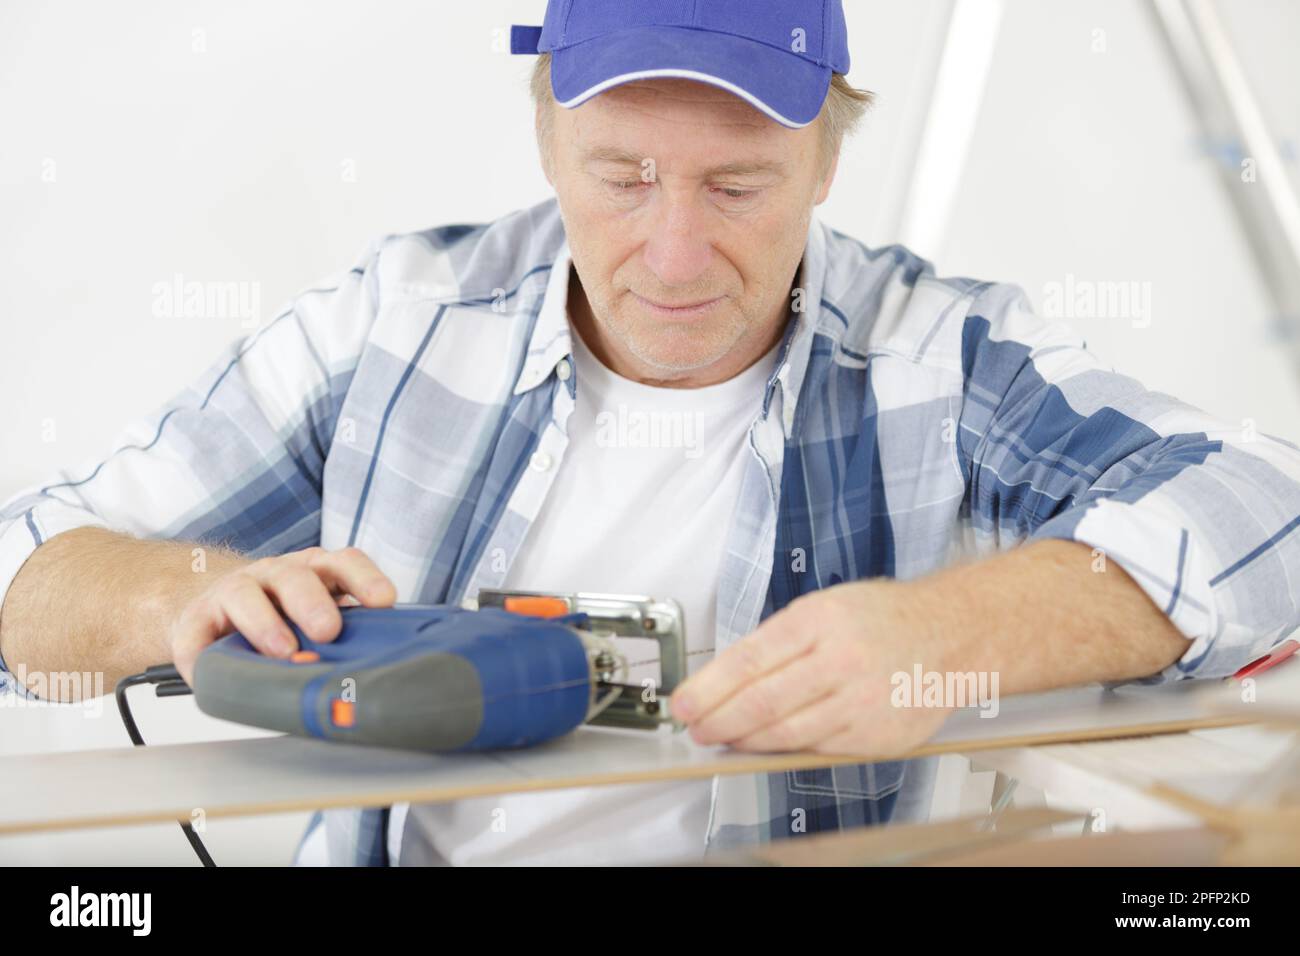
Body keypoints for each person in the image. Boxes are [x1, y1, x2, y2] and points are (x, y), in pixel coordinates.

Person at [2, 0, 1298, 865]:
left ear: (826, 164)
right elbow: (24, 580)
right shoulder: (391, 329)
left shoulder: (941, 358)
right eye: (622, 178)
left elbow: (1269, 504)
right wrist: (195, 596)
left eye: (738, 185)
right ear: (548, 140)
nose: (675, 254)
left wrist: (947, 634)